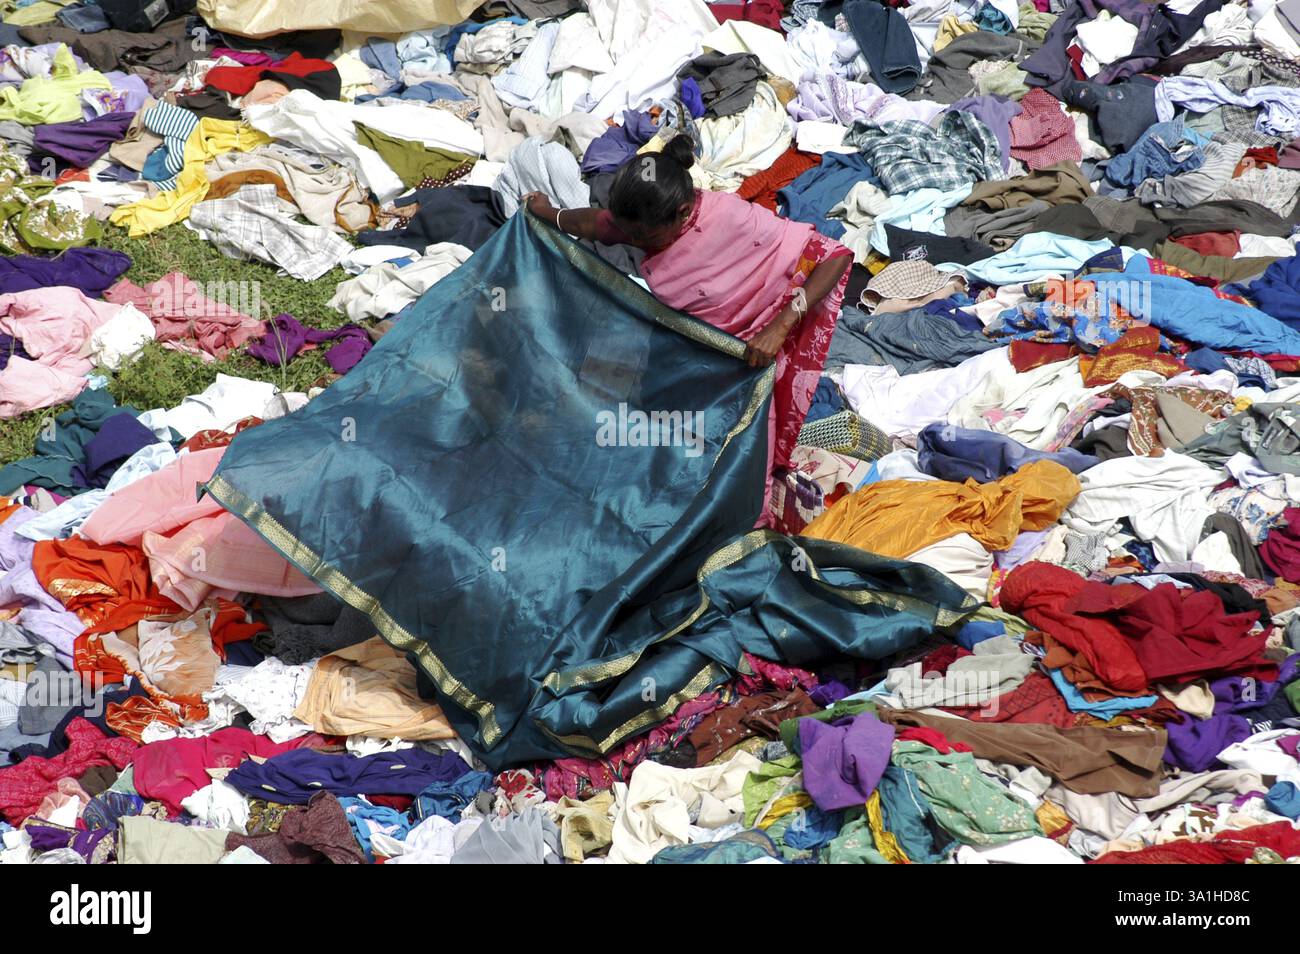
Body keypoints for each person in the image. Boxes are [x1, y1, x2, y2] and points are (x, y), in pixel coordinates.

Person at [524, 134, 852, 514]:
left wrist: (780, 326)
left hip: (754, 354)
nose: (632, 241)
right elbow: (599, 225)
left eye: (642, 236)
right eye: (629, 232)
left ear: (682, 212)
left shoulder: (733, 218)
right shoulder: (643, 220)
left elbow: (834, 257)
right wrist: (547, 213)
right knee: (649, 437)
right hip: (699, 347)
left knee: (740, 459)